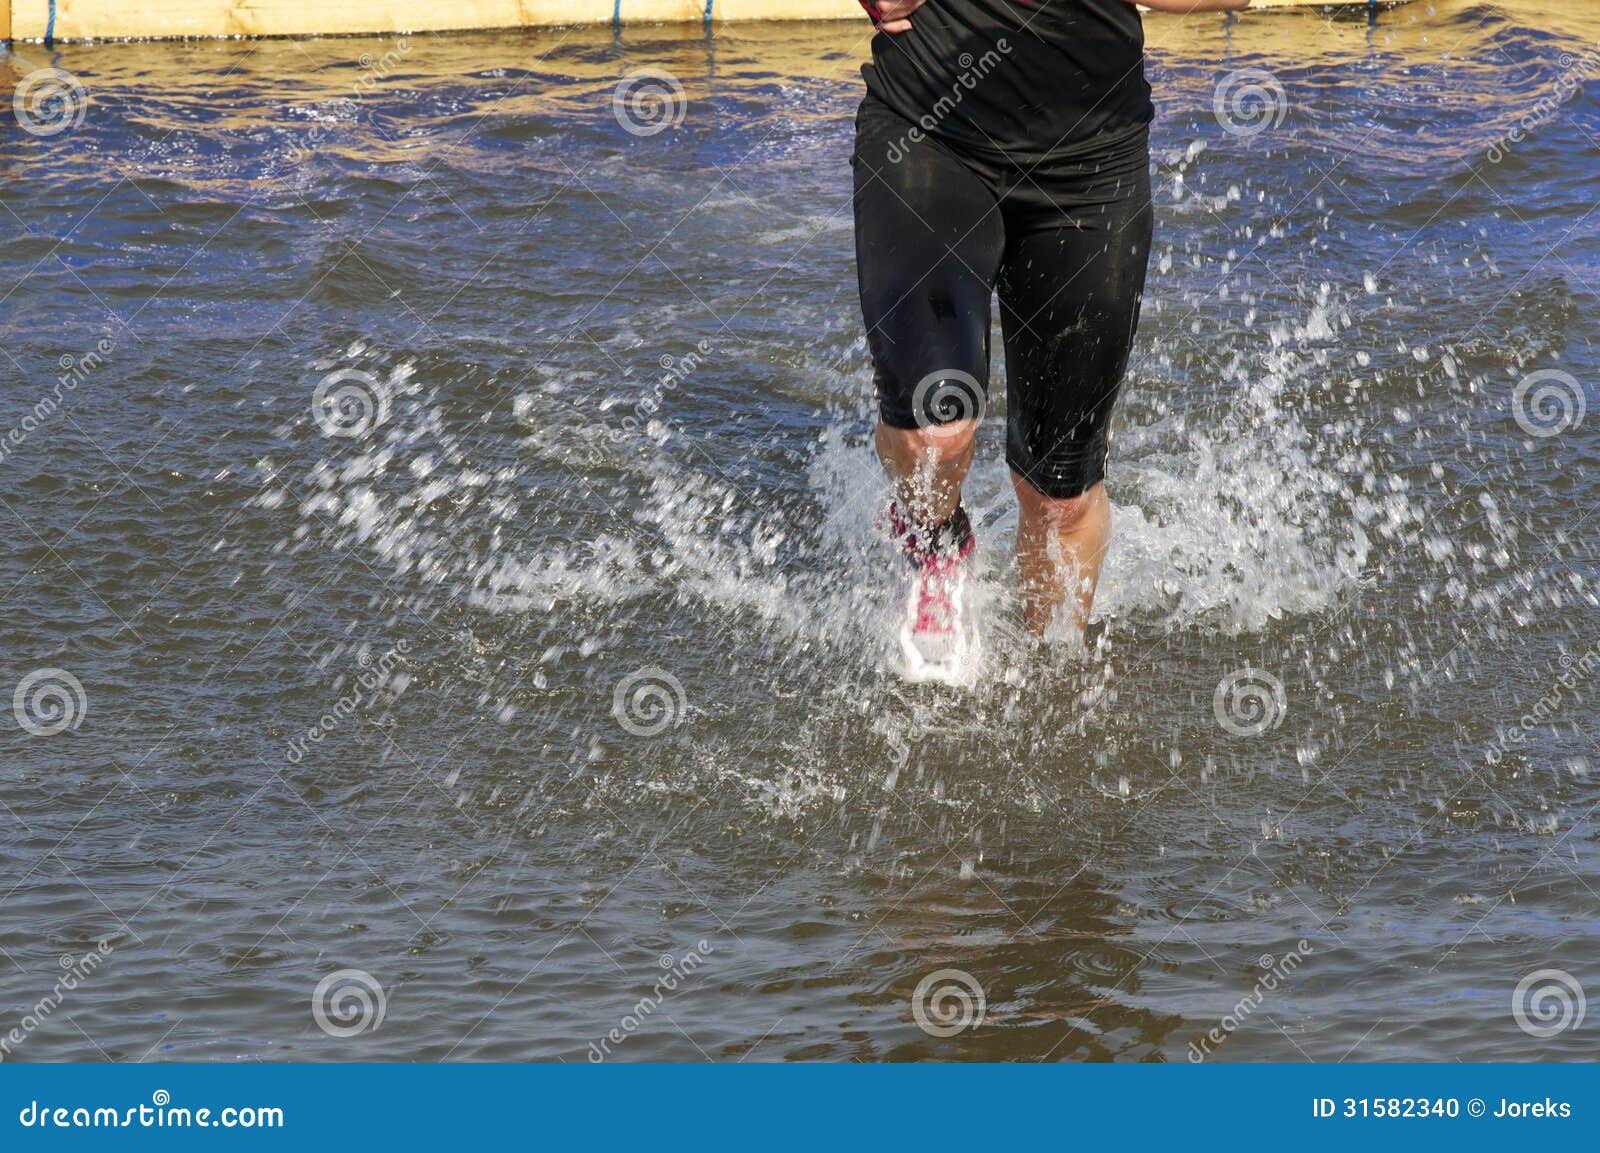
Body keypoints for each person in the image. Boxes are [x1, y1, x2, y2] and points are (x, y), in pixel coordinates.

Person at [853, 0, 1250, 681]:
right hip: (932, 129)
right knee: (933, 432)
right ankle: (935, 543)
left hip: (1091, 158)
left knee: (1059, 493)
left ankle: (1052, 677)